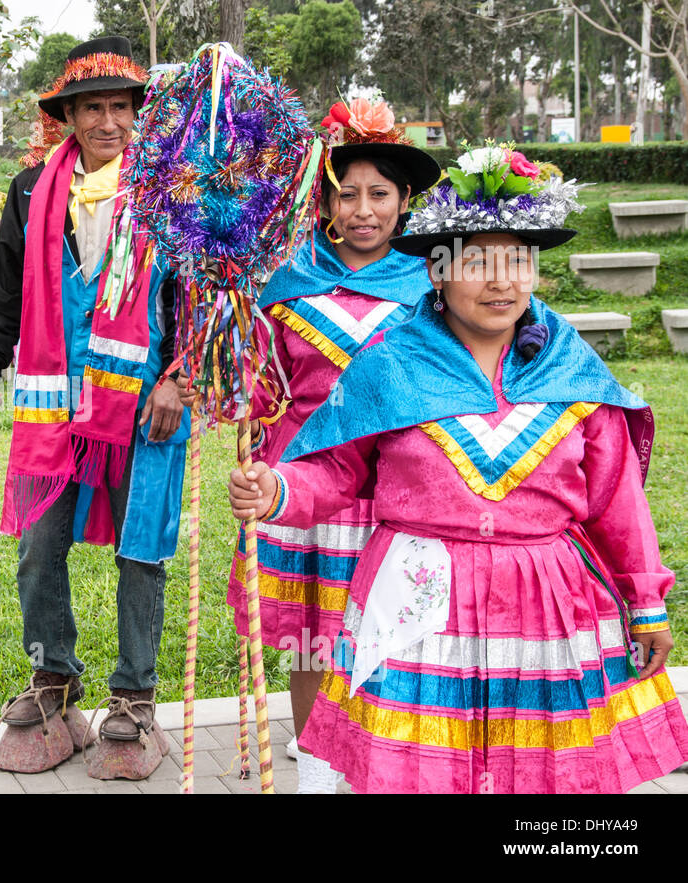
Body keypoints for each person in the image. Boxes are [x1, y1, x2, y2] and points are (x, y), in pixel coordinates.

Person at [230, 146, 688, 793]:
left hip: (544, 605)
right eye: (478, 262)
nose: (502, 281)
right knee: (419, 772)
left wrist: (645, 602)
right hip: (420, 600)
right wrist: (277, 487)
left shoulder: (572, 370)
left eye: (518, 260)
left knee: (538, 769)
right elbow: (335, 469)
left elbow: (616, 501)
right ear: (436, 274)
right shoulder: (390, 366)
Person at [0, 36, 187, 775]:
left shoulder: (170, 189)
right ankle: (53, 676)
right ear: (67, 114)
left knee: (142, 550)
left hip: (146, 402)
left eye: (121, 107)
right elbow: (3, 292)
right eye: (91, 107)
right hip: (48, 405)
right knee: (37, 548)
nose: (107, 121)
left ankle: (134, 695)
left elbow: (198, 294)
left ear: (140, 113)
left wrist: (181, 376)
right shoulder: (32, 190)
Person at [227, 97, 440, 792]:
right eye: (346, 194)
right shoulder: (286, 279)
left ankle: (382, 751)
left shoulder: (431, 286)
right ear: (324, 201)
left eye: (380, 193)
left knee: (389, 629)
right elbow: (261, 383)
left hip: (396, 481)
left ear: (405, 200)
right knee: (307, 629)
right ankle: (315, 761)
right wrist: (232, 392)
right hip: (300, 475)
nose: (363, 210)